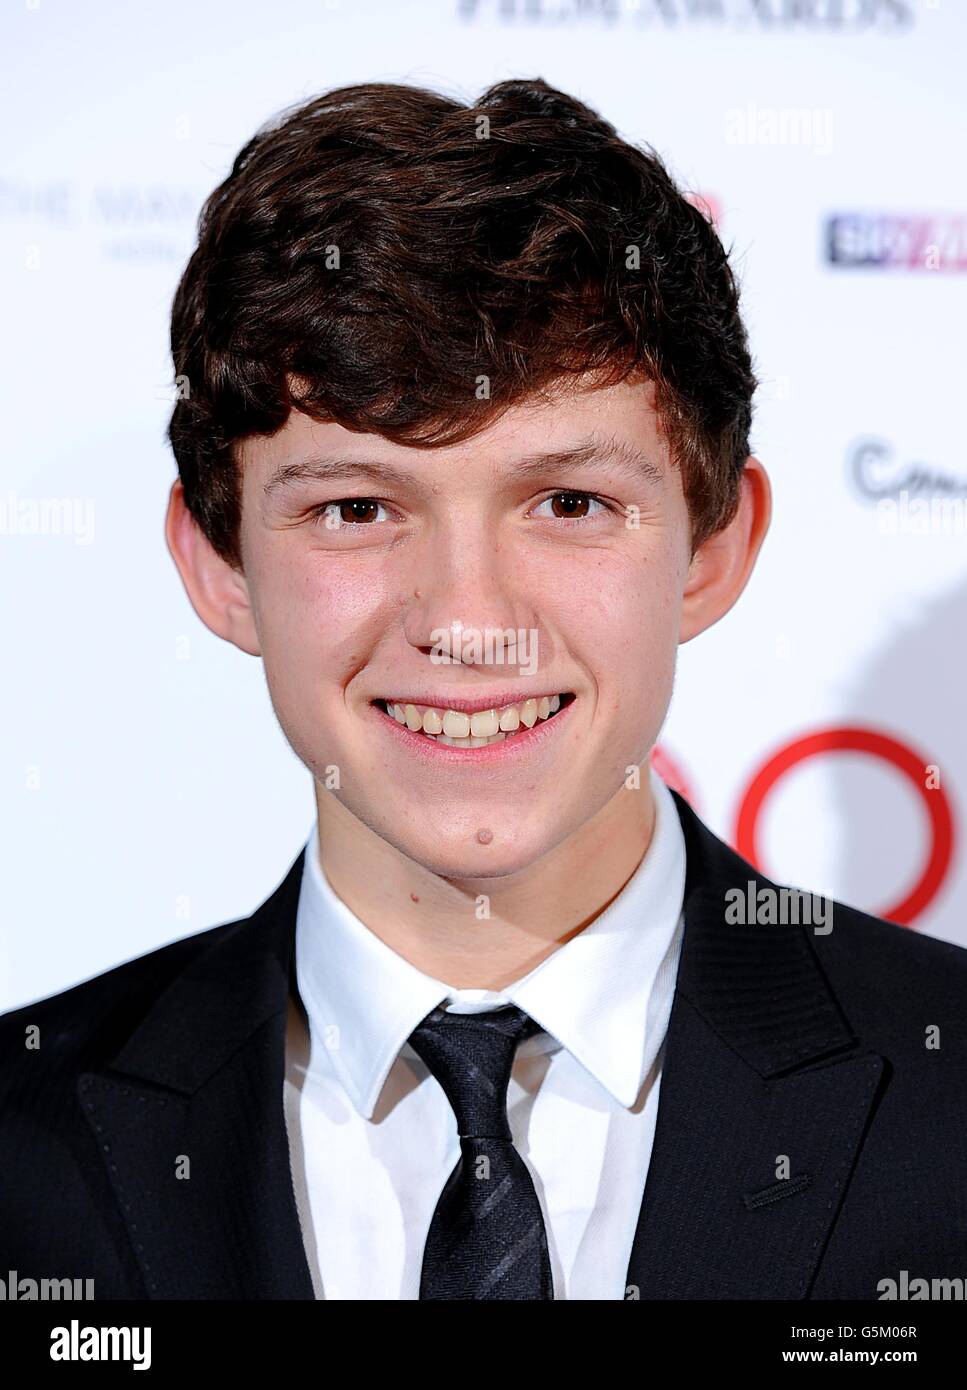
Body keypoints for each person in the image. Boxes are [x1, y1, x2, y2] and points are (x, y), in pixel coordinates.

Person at [2, 77, 965, 1302]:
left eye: (568, 504)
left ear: (713, 548)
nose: (467, 622)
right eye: (357, 508)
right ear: (219, 564)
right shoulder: (22, 1149)